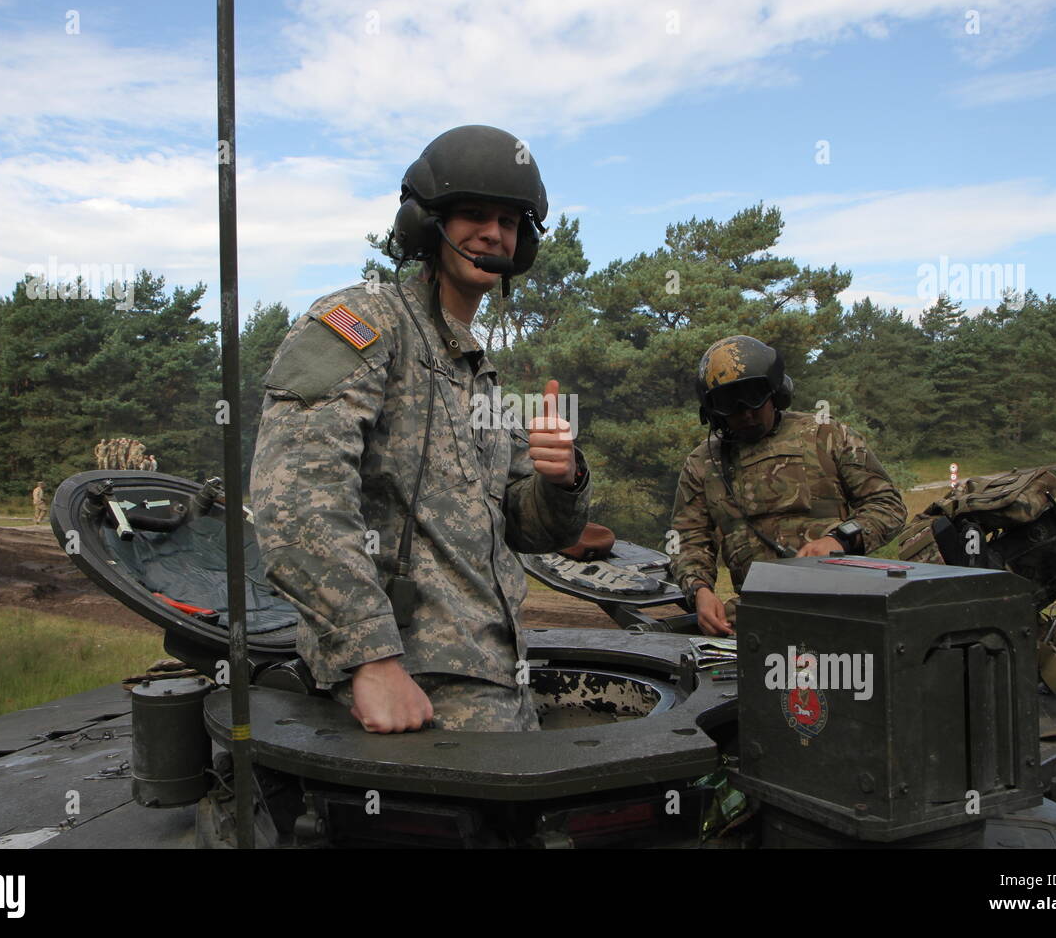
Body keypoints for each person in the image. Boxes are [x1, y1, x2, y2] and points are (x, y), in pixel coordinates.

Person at [251, 125, 592, 734]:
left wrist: (561, 480)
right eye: (472, 214)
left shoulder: (479, 377)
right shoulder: (361, 323)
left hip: (498, 684)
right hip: (408, 690)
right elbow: (296, 495)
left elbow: (530, 528)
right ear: (425, 223)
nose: (492, 232)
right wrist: (370, 658)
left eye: (509, 221)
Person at [669, 335, 906, 637]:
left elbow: (888, 506)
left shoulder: (827, 436)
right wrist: (699, 590)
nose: (746, 413)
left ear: (776, 392)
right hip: (757, 615)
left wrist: (840, 540)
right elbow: (687, 539)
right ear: (714, 412)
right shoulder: (703, 463)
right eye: (731, 404)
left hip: (843, 604)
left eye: (754, 397)